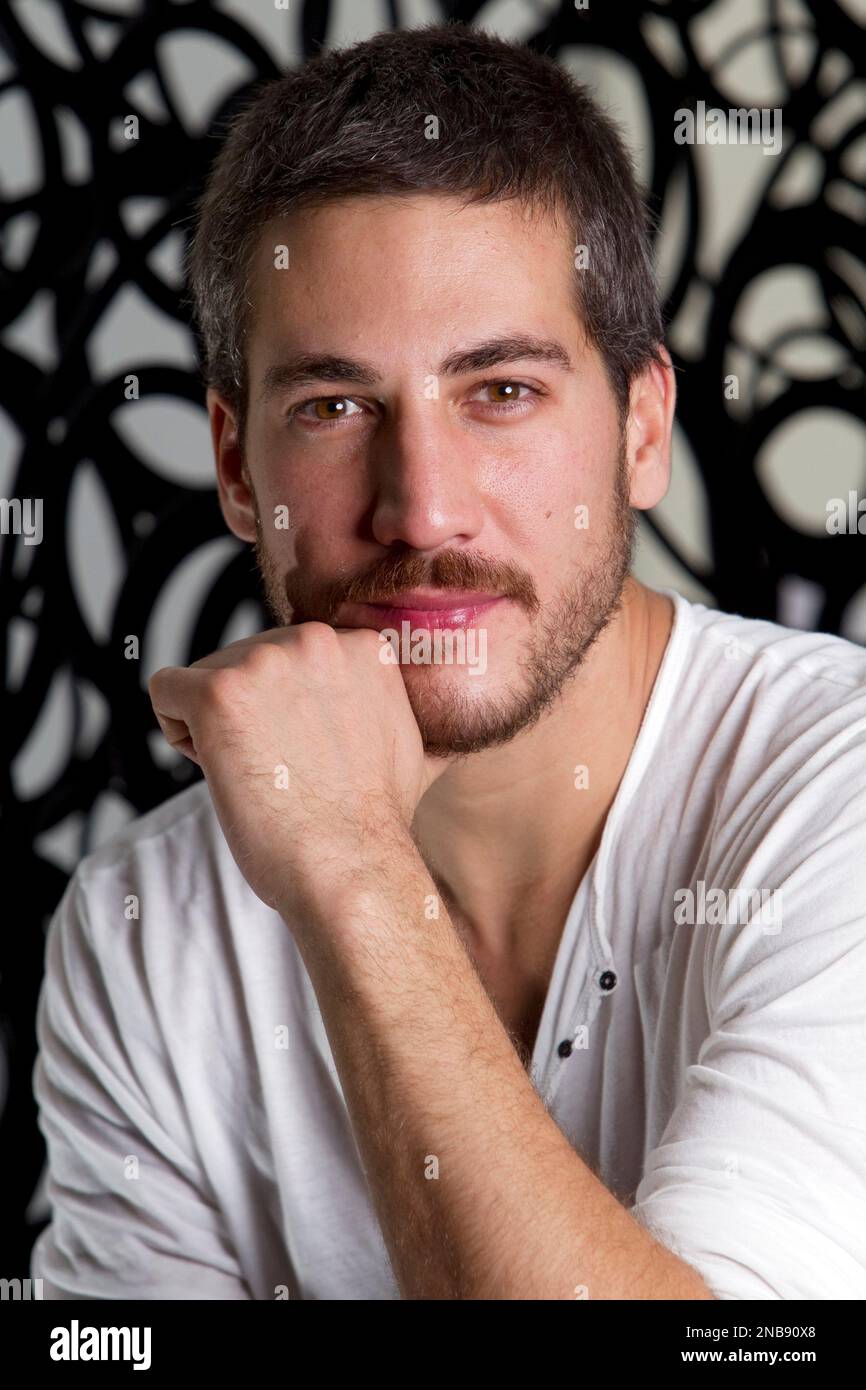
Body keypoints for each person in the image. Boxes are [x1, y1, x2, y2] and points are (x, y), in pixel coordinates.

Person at [31, 22, 866, 1301]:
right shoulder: (140, 935)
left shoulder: (833, 793)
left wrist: (353, 875)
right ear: (239, 470)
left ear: (642, 431)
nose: (421, 510)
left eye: (502, 391)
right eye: (334, 406)